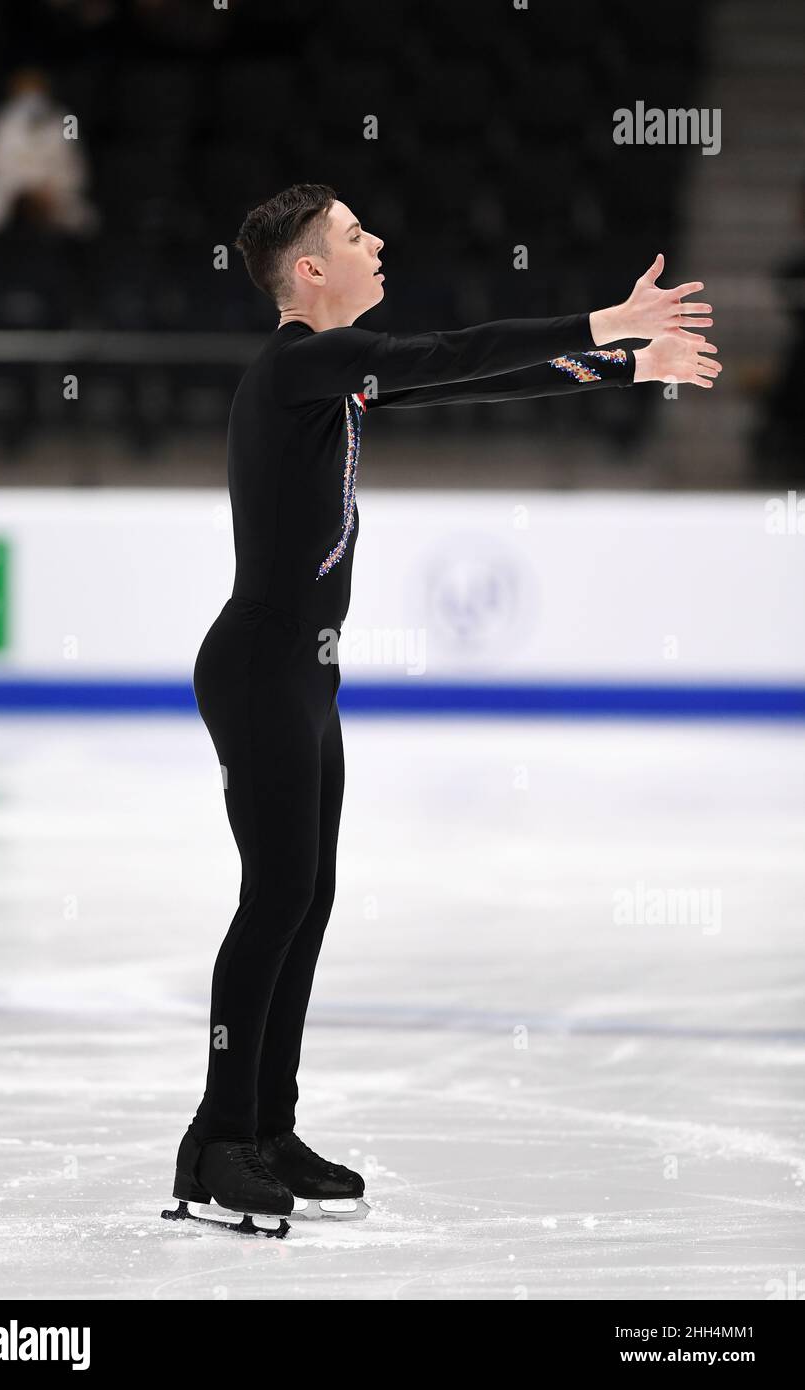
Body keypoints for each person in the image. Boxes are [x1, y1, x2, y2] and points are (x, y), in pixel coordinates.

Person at [164, 183, 720, 1235]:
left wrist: (625, 365)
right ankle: (216, 1138)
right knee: (275, 898)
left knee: (308, 897)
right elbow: (450, 353)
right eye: (353, 234)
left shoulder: (334, 381)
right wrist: (601, 322)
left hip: (300, 673)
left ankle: (266, 1128)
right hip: (257, 670)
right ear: (309, 272)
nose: (378, 242)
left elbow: (472, 383)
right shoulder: (296, 366)